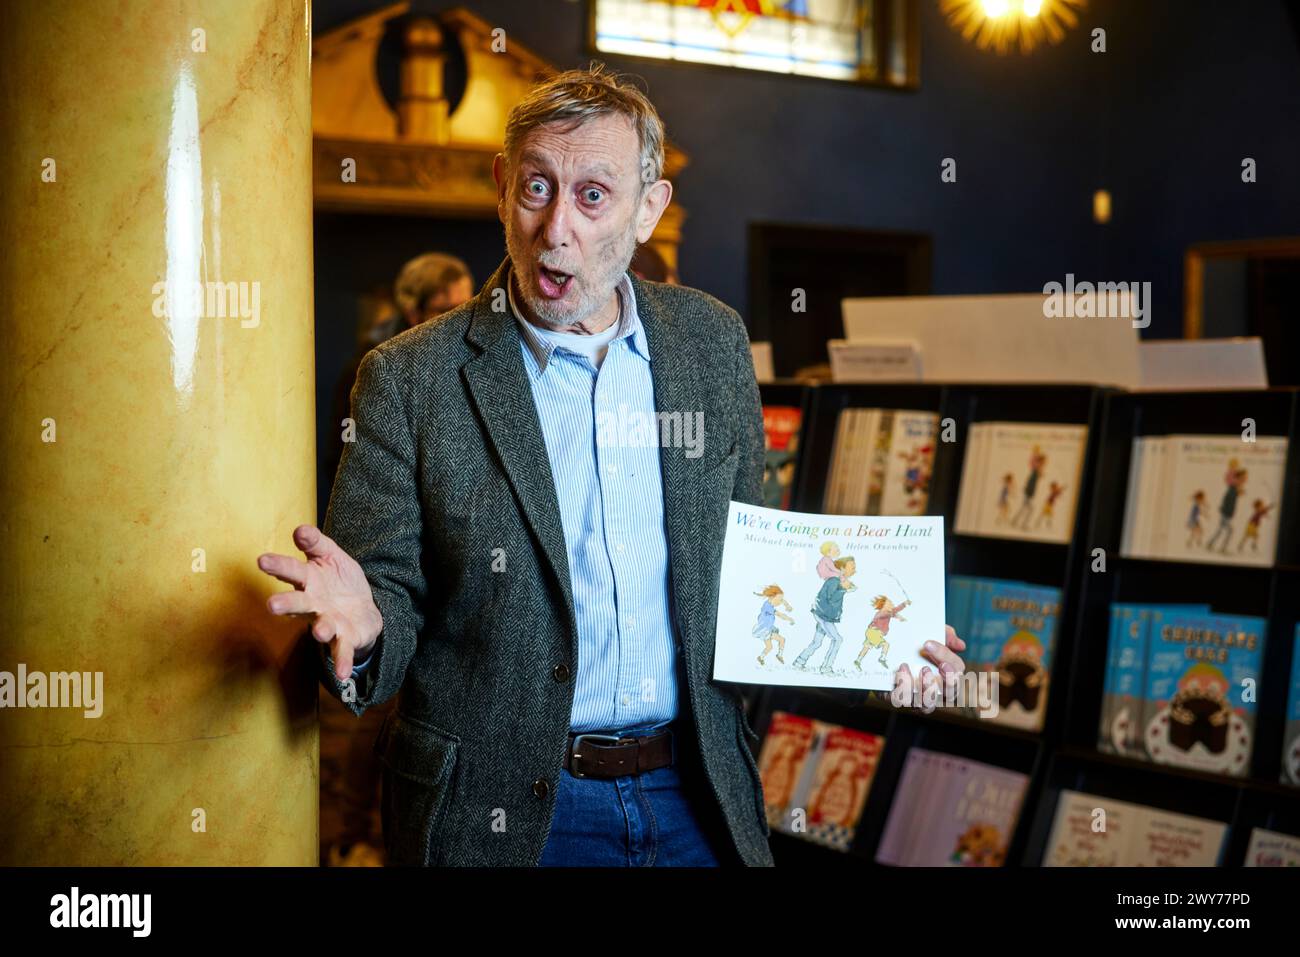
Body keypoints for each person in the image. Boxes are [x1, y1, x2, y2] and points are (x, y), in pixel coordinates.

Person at [257, 63, 966, 867]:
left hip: (696, 797)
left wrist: (882, 642)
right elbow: (378, 613)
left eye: (594, 195)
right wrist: (367, 622)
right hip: (510, 816)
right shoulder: (407, 378)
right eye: (536, 188)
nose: (557, 227)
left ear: (647, 210)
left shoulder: (711, 343)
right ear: (500, 188)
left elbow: (744, 566)